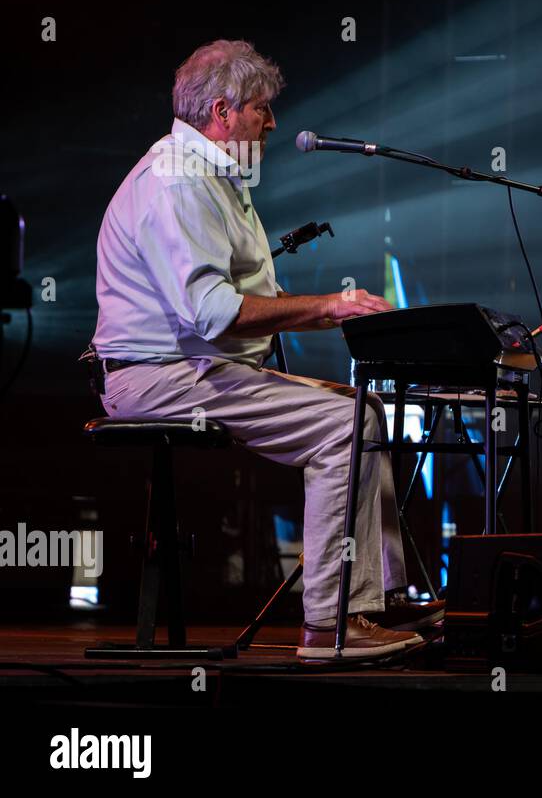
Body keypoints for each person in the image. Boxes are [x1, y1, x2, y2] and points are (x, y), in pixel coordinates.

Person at [92, 39, 438, 660]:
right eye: (262, 109)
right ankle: (329, 626)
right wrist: (329, 306)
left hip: (193, 366)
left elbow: (253, 298)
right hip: (158, 377)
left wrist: (333, 314)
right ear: (222, 111)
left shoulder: (215, 174)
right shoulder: (176, 181)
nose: (273, 122)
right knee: (346, 424)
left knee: (367, 412)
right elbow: (215, 313)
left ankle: (378, 597)